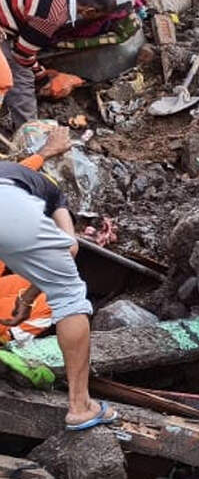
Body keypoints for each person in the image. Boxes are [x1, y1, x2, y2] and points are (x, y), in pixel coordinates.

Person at [0, 125, 119, 430]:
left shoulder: (15, 170)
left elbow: (45, 265)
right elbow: (70, 249)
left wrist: (26, 299)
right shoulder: (55, 196)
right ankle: (80, 406)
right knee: (69, 295)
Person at [0, 0, 118, 128]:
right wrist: (43, 75)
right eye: (97, 17)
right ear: (89, 11)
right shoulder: (53, 17)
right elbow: (21, 55)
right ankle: (29, 132)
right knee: (23, 79)